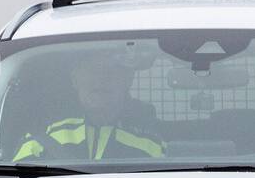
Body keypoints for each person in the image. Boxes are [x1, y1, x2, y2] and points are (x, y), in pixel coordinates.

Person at [13, 56, 164, 162]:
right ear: (75, 79)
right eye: (92, 69)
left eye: (111, 70)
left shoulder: (152, 146)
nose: (101, 78)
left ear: (128, 80)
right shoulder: (39, 139)